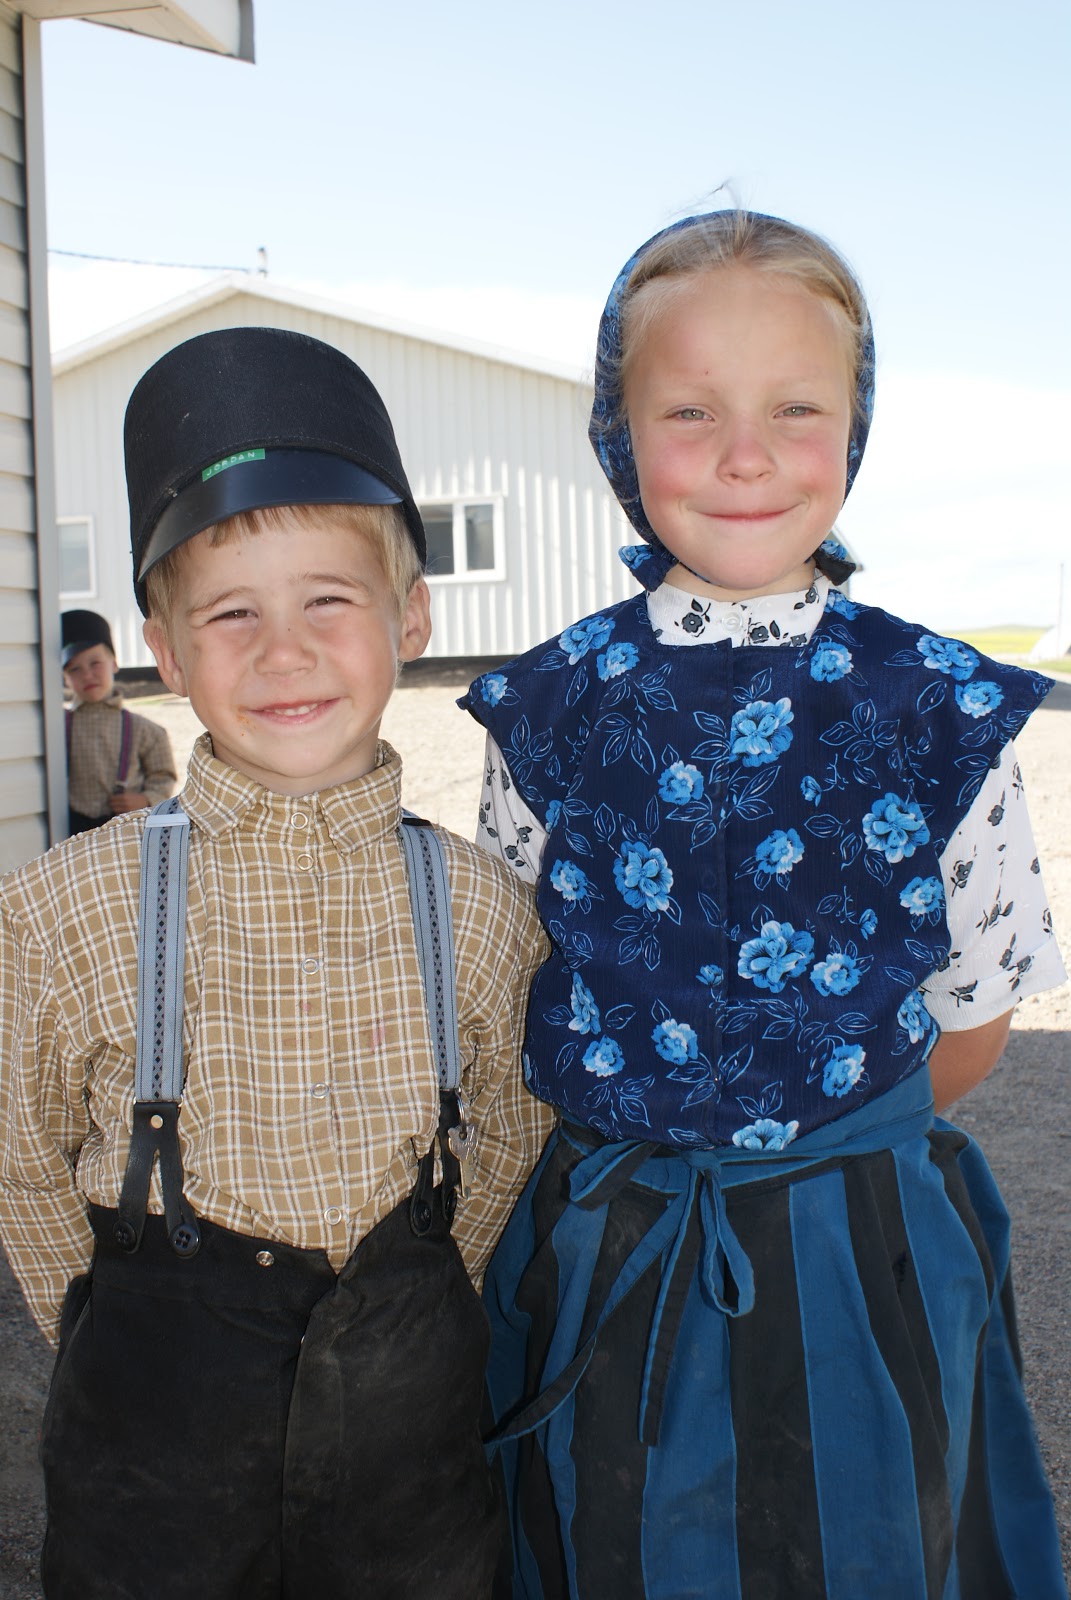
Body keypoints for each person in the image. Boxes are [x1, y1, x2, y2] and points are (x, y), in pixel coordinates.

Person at [461, 211, 1069, 1597]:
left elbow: (967, 1027)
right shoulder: (550, 710)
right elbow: (506, 988)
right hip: (615, 1256)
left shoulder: (938, 712)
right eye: (689, 408)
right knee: (618, 1547)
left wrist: (804, 1169)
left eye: (793, 408)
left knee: (869, 1546)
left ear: (852, 428)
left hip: (865, 1253)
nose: (745, 454)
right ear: (618, 433)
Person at [0, 326, 553, 1599]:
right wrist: (108, 1337)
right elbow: (24, 1159)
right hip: (152, 1495)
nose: (283, 649)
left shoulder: (478, 909)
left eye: (329, 600)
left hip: (410, 1493)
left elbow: (508, 1142)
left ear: (410, 615)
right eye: (231, 613)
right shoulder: (63, 912)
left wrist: (397, 1316)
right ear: (167, 643)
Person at [61, 605, 177, 832]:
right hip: (71, 832)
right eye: (74, 669)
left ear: (114, 664)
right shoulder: (57, 728)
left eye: (95, 663)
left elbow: (163, 777)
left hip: (123, 830)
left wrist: (145, 799)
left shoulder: (145, 730)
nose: (87, 674)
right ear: (65, 679)